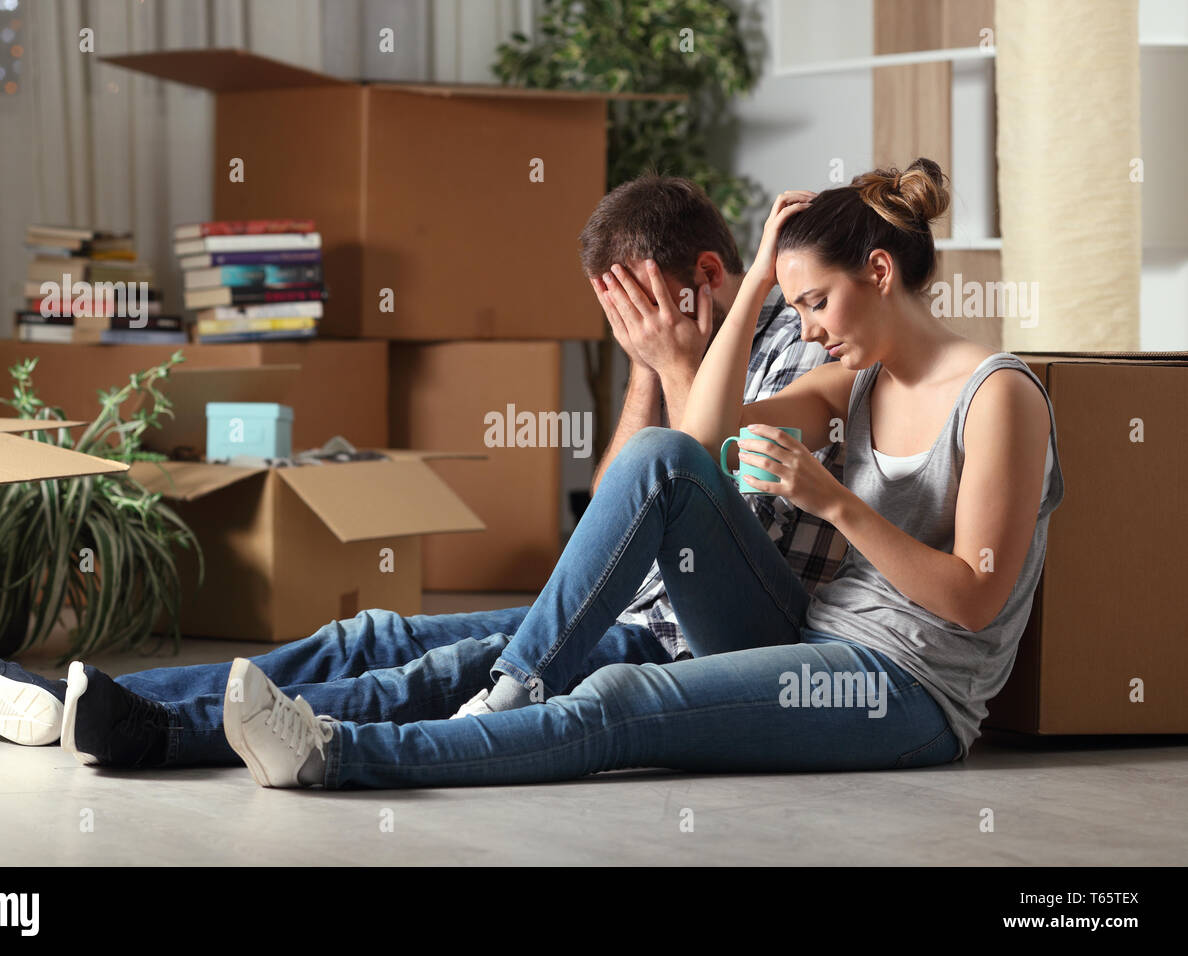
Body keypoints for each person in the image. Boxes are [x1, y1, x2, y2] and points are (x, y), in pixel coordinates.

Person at [0, 175, 847, 767]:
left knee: (431, 674)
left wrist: (676, 360)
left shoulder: (800, 346)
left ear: (711, 277)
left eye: (645, 307)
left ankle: (147, 730)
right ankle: (64, 693)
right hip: (634, 604)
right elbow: (609, 518)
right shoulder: (682, 359)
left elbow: (696, 488)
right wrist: (648, 364)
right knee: (373, 635)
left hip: (696, 638)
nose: (637, 330)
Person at [211, 156, 1065, 789]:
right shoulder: (860, 378)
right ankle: (518, 684)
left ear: (879, 273)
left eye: (813, 302)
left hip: (903, 690)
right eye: (792, 305)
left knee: (622, 700)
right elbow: (700, 443)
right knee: (663, 456)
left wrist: (836, 503)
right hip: (804, 632)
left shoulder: (998, 397)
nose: (803, 329)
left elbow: (974, 596)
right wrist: (762, 273)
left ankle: (332, 753)